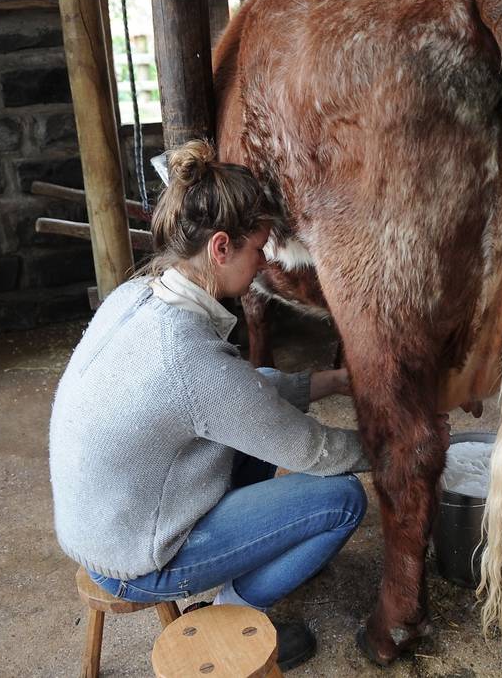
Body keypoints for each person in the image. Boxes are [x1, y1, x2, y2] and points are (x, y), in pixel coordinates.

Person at [48, 140, 369, 670]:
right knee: (342, 498)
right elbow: (317, 451)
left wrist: (334, 381)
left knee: (257, 402)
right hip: (137, 559)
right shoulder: (188, 359)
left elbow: (242, 395)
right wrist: (404, 444)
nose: (265, 260)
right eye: (258, 248)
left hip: (106, 523)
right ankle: (233, 608)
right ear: (221, 248)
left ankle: (247, 563)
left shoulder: (137, 297)